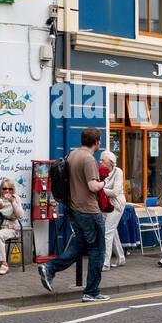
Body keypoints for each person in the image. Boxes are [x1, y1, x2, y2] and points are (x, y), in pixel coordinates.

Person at [37, 128, 109, 302]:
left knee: (80, 246)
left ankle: (50, 267)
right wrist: (103, 182)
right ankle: (91, 292)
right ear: (97, 141)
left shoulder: (72, 155)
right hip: (89, 211)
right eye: (100, 141)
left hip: (73, 209)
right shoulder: (89, 159)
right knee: (98, 251)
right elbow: (93, 186)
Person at [100, 150, 127, 270]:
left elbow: (115, 192)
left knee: (107, 232)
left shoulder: (118, 172)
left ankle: (106, 263)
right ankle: (121, 258)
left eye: (103, 160)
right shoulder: (101, 171)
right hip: (105, 205)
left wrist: (100, 189)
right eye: (100, 160)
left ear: (111, 162)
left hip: (117, 205)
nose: (100, 162)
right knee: (112, 232)